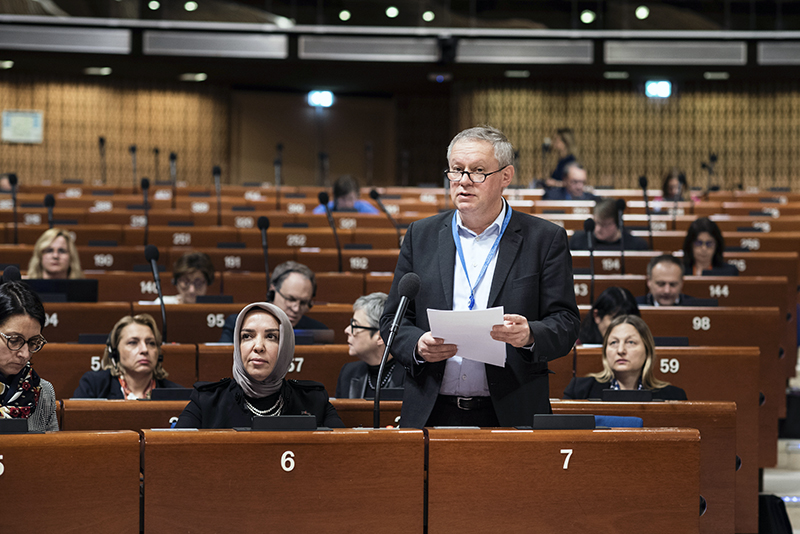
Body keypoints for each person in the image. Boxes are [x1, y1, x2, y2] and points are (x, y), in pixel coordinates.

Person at [380, 125, 581, 428]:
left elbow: (566, 323)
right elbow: (392, 321)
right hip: (431, 411)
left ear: (505, 176)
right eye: (456, 170)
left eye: (477, 171)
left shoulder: (544, 239)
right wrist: (419, 344)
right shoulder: (420, 235)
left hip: (511, 411)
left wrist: (529, 335)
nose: (463, 182)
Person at [176, 302, 343, 428]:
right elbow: (173, 456)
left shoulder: (314, 401)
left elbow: (344, 454)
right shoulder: (206, 401)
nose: (258, 346)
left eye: (271, 337)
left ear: (285, 347)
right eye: (247, 336)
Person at [563, 314, 687, 400]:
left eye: (630, 342)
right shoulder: (579, 390)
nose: (621, 350)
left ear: (647, 350)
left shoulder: (673, 396)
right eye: (613, 343)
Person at [73, 314, 183, 399]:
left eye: (151, 343)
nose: (144, 350)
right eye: (133, 343)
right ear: (115, 351)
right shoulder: (95, 385)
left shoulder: (176, 393)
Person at [219, 261, 328, 342]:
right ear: (272, 291)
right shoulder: (239, 324)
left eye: (303, 303)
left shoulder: (319, 331)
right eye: (290, 299)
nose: (296, 309)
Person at [0, 280, 58, 431]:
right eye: (14, 340)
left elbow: (52, 452)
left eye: (33, 342)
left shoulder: (43, 391)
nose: (25, 354)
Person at [336, 292, 404, 399]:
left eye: (355, 326)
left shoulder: (409, 378)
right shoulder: (349, 372)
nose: (347, 330)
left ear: (381, 337)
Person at [569, 198, 649, 251]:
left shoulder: (636, 246)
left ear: (617, 223)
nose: (598, 229)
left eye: (604, 225)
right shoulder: (577, 241)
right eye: (596, 223)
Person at [143, 251, 215, 305]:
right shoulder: (163, 304)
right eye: (186, 282)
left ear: (207, 282)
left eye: (198, 283)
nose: (192, 290)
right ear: (176, 282)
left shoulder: (215, 308)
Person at [312, 175, 379, 214]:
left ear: (357, 197)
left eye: (350, 199)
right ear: (335, 197)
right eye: (343, 199)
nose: (347, 203)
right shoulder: (324, 209)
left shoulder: (365, 208)